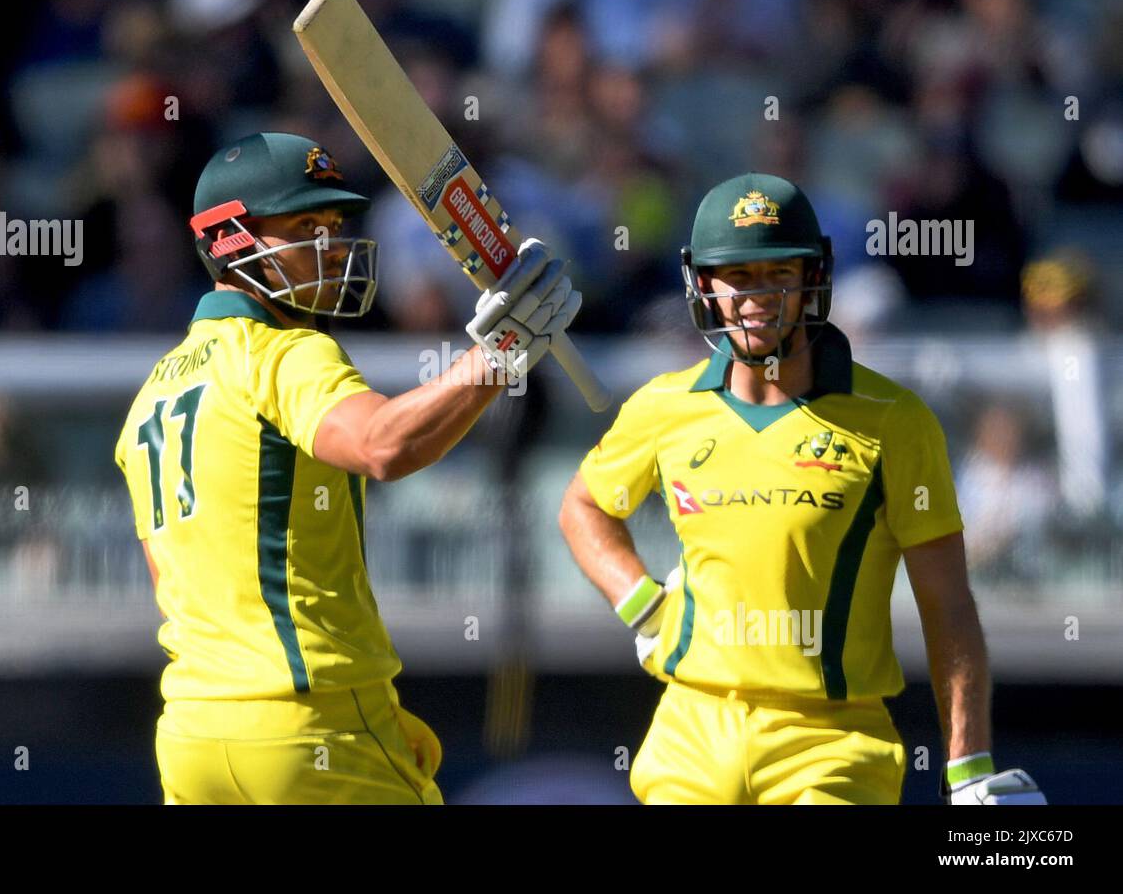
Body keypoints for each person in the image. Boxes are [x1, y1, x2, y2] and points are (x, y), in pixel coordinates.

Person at [114, 132, 579, 804]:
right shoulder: (286, 353)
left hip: (193, 737)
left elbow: (172, 582)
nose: (330, 246)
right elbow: (383, 446)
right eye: (304, 226)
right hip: (310, 720)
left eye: (332, 225)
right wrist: (502, 353)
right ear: (229, 239)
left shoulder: (153, 393)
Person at [558, 173, 1044, 805]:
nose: (755, 296)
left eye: (775, 273)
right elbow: (585, 505)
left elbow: (948, 606)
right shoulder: (663, 407)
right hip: (690, 729)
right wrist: (645, 607)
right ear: (703, 284)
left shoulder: (893, 420)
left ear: (812, 276)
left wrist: (969, 765)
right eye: (737, 276)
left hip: (832, 744)